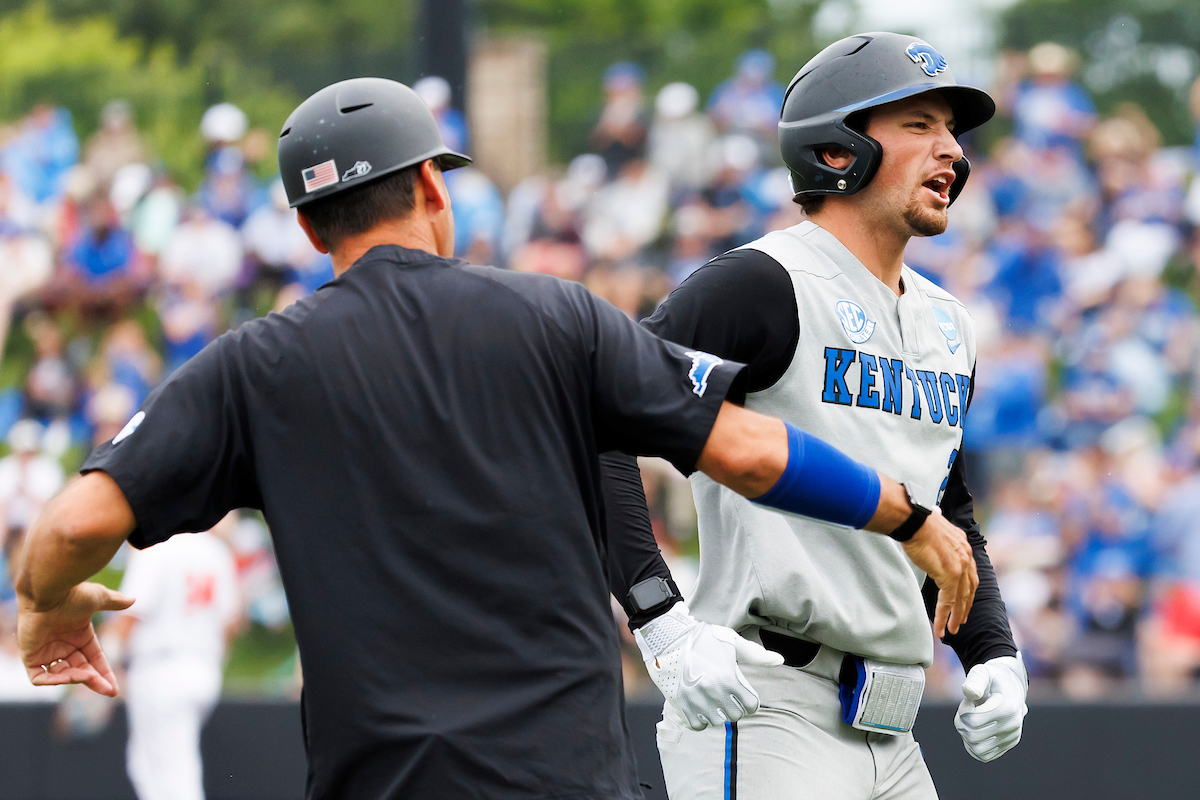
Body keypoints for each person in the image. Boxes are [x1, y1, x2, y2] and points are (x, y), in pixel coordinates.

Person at [15, 78, 976, 800]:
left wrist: (50, 607)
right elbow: (754, 453)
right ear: (433, 185)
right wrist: (909, 519)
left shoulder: (253, 366)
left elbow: (67, 528)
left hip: (380, 780)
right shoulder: (558, 318)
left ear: (310, 228)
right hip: (562, 773)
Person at [600, 33, 1028, 800]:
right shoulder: (760, 284)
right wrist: (658, 622)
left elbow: (943, 503)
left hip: (894, 729)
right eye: (921, 124)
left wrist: (992, 650)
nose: (953, 153)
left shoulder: (948, 320)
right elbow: (598, 424)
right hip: (767, 706)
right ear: (838, 150)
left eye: (953, 132)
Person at [103, 518, 240, 800]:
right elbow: (231, 623)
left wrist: (104, 664)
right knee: (155, 767)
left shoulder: (157, 547)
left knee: (169, 776)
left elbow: (130, 614)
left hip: (162, 671)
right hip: (204, 668)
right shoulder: (217, 551)